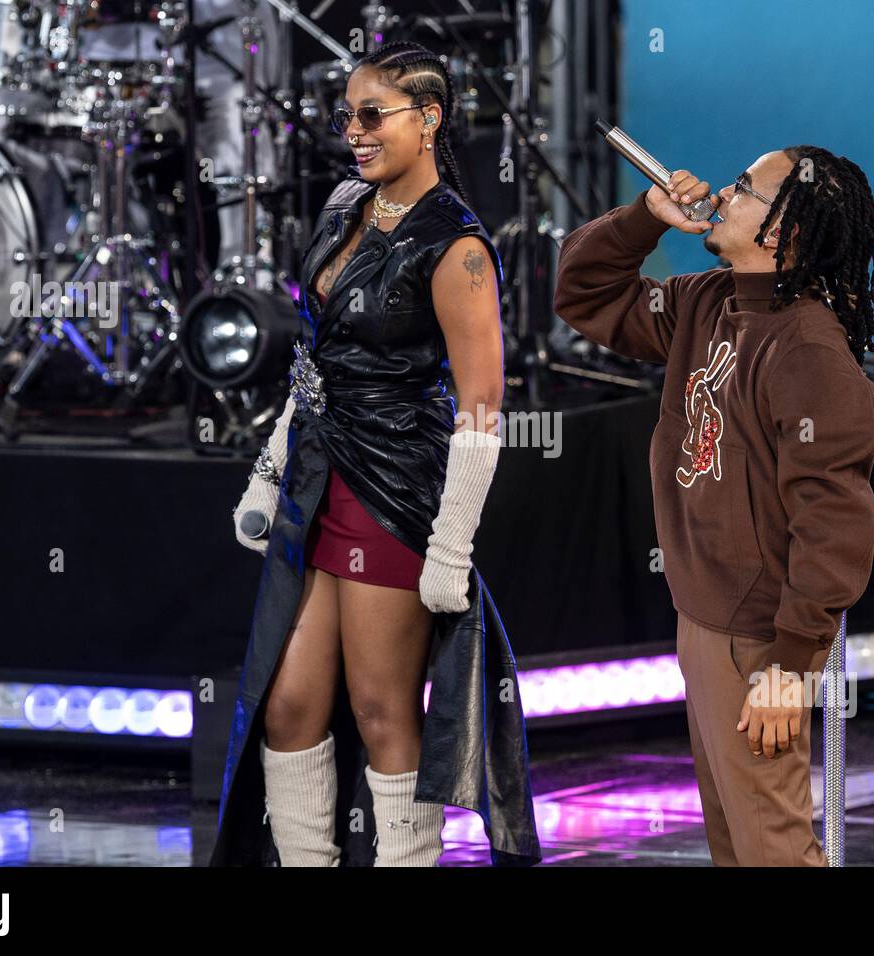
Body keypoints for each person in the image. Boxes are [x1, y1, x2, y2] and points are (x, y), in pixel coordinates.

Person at [209, 41, 540, 867]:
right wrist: (270, 465)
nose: (353, 132)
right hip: (319, 478)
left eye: (372, 115)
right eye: (345, 115)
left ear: (428, 120)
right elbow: (317, 361)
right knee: (286, 706)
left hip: (395, 487)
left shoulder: (458, 248)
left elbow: (483, 406)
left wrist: (451, 545)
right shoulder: (343, 206)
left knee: (383, 709)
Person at [554, 147, 874, 866]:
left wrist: (792, 666)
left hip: (759, 635)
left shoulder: (808, 349)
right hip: (705, 614)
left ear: (783, 234)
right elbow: (582, 293)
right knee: (738, 848)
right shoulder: (707, 299)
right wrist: (644, 219)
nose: (723, 191)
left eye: (744, 189)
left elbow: (835, 522)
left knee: (772, 848)